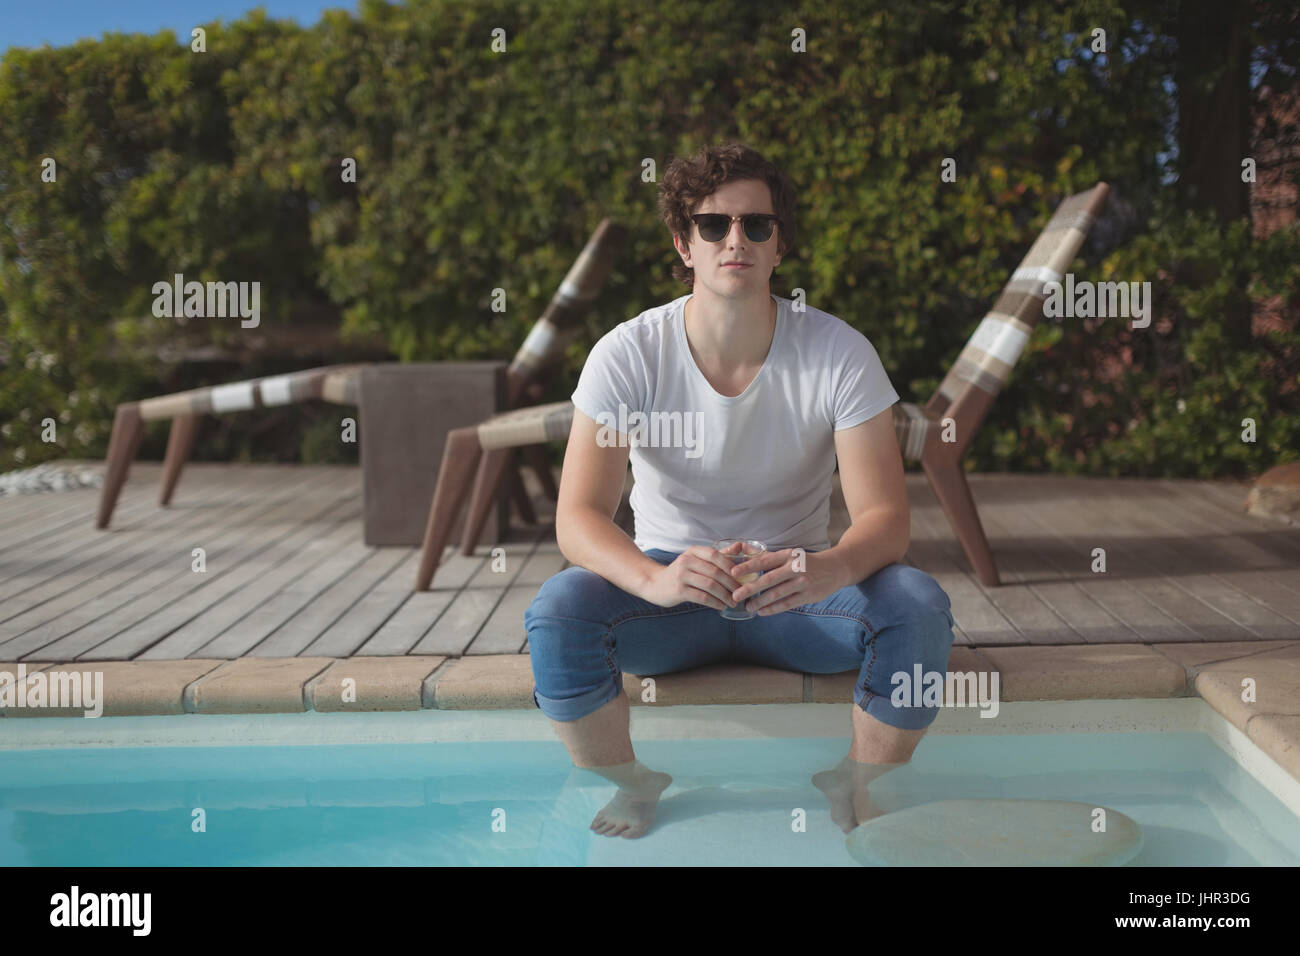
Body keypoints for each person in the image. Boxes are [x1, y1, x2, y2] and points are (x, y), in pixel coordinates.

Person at [524, 142, 956, 840]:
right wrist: (655, 578)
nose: (736, 240)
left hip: (798, 595)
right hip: (672, 598)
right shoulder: (628, 354)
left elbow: (884, 518)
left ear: (779, 244)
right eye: (713, 225)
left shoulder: (839, 351)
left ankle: (860, 781)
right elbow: (577, 517)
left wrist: (832, 568)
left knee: (917, 605)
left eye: (757, 225)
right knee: (559, 608)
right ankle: (632, 785)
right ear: (683, 242)